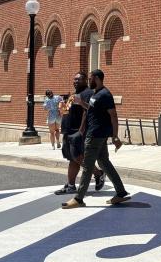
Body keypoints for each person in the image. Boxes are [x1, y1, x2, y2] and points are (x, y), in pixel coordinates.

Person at [62, 69, 129, 208]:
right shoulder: (96, 94)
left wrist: (115, 136)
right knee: (104, 163)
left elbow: (113, 115)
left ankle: (79, 199)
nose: (89, 81)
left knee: (87, 166)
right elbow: (92, 110)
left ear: (97, 78)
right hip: (96, 134)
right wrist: (82, 104)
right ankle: (121, 192)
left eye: (90, 78)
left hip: (95, 135)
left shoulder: (105, 94)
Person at [53, 73, 104, 196]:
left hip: (77, 132)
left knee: (78, 157)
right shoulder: (73, 94)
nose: (75, 81)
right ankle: (71, 186)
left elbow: (88, 111)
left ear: (85, 80)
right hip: (68, 131)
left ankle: (98, 173)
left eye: (78, 79)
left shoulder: (88, 93)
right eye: (74, 79)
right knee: (72, 158)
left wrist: (81, 130)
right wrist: (62, 107)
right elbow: (67, 111)